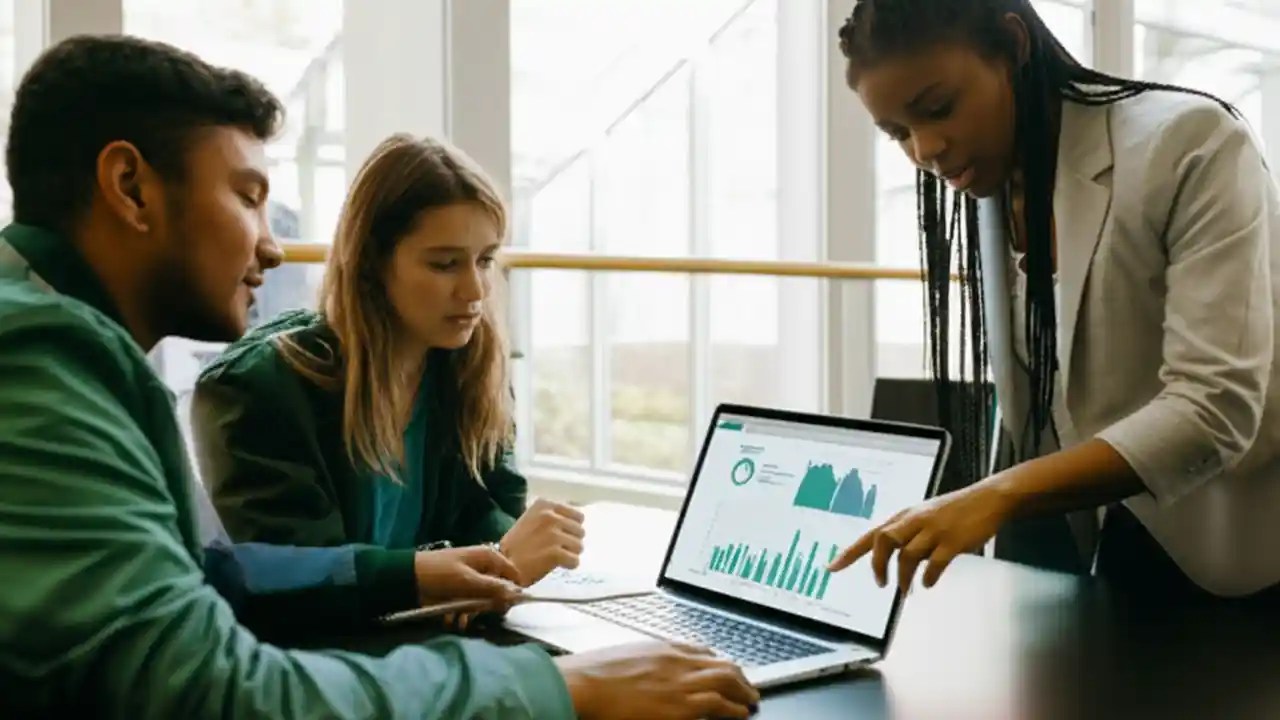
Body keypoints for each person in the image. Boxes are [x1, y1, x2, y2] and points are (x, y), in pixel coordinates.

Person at [0, 33, 759, 719]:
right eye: (248, 198)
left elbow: (207, 576)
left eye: (484, 262)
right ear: (130, 187)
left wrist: (424, 577)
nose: (271, 249)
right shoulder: (38, 360)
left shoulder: (59, 344)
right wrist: (562, 690)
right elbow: (204, 688)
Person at [827, 0, 1280, 605]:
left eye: (937, 109)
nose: (925, 149)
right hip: (1103, 548)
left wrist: (995, 497)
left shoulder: (1189, 141)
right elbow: (1039, 405)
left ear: (1013, 47)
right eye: (897, 133)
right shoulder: (990, 176)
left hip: (1238, 552)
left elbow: (1214, 408)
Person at [191, 134, 584, 626]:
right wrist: (493, 566)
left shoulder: (466, 364)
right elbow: (299, 586)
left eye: (484, 260)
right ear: (372, 263)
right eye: (444, 264)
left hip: (434, 643)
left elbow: (490, 507)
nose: (475, 290)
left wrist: (505, 560)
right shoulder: (259, 388)